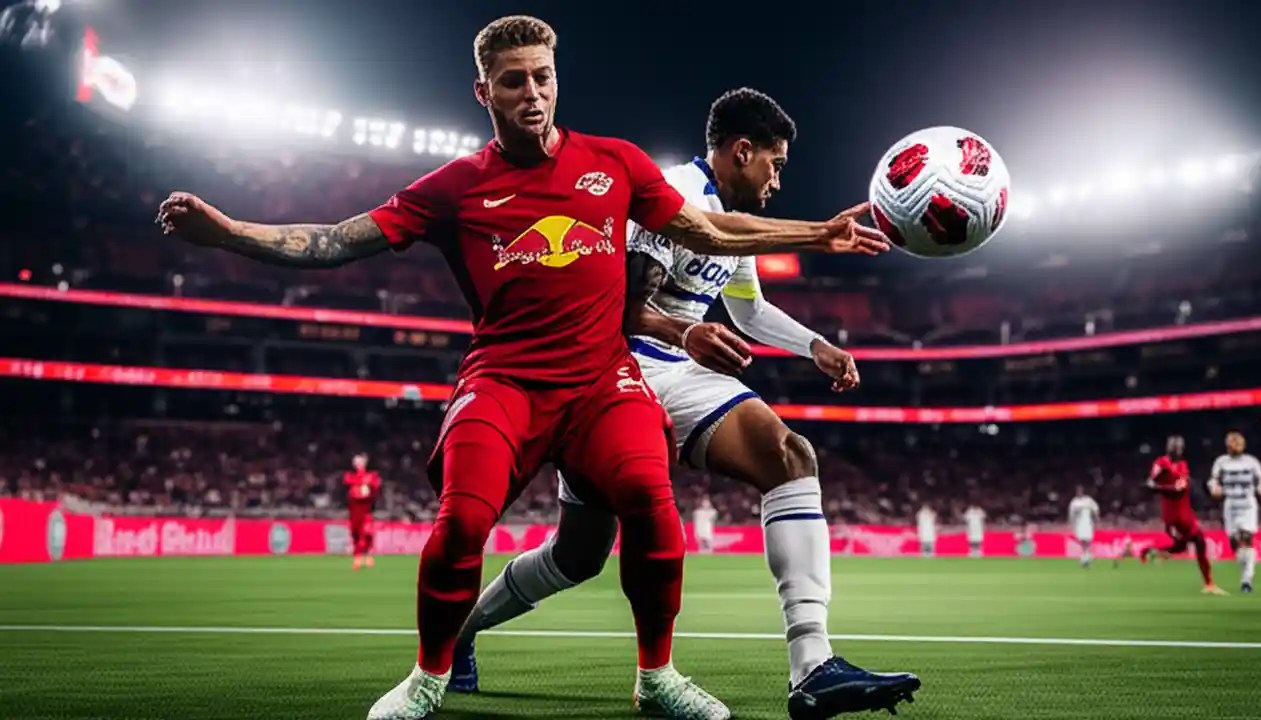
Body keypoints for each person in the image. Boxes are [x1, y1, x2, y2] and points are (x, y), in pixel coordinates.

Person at [156, 16, 891, 720]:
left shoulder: (616, 163)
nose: (532, 93)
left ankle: (660, 677)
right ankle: (429, 673)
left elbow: (708, 231)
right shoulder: (454, 186)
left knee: (649, 499)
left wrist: (819, 234)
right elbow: (335, 239)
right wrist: (228, 233)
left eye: (543, 77)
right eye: (514, 82)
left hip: (605, 381)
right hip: (506, 379)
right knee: (467, 521)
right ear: (485, 93)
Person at [448, 87, 919, 720]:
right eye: (774, 164)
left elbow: (748, 309)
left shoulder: (732, 220)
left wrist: (816, 348)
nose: (778, 180)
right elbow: (619, 305)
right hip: (615, 365)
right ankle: (461, 632)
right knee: (578, 554)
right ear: (740, 151)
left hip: (678, 368)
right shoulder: (670, 195)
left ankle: (814, 667)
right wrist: (685, 331)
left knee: (789, 455)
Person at [1140, 435, 1226, 595]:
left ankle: (1151, 551)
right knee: (1196, 542)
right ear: (1168, 447)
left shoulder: (1182, 464)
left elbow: (1183, 484)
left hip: (1185, 512)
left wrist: (1177, 488)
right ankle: (1209, 584)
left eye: (1180, 446)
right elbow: (1150, 484)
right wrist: (1170, 488)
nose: (1178, 449)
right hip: (1173, 515)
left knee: (1186, 546)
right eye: (1174, 446)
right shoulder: (1161, 464)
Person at [1208, 431, 1261, 593]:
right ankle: (1245, 570)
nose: (1233, 446)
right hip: (1231, 505)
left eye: (1236, 443)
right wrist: (1214, 488)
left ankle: (1247, 580)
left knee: (1247, 539)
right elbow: (1214, 480)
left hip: (1247, 504)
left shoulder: (1252, 462)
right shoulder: (1221, 462)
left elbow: (1260, 481)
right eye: (1231, 444)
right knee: (1235, 543)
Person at [343, 453, 381, 569]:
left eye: (360, 462)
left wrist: (365, 482)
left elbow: (375, 487)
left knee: (366, 534)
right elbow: (348, 482)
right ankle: (358, 558)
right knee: (355, 534)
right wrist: (362, 482)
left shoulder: (372, 476)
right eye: (356, 463)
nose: (358, 465)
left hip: (366, 511)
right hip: (354, 512)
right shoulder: (350, 476)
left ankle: (367, 557)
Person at [1067, 486, 1100, 569]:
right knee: (1082, 541)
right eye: (1078, 491)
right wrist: (1072, 523)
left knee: (1087, 541)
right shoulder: (1074, 502)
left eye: (1080, 491)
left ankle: (1086, 557)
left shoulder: (1088, 500)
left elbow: (1095, 509)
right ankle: (1088, 556)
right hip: (1079, 523)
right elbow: (1071, 514)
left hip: (1087, 522)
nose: (1079, 492)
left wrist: (1096, 519)